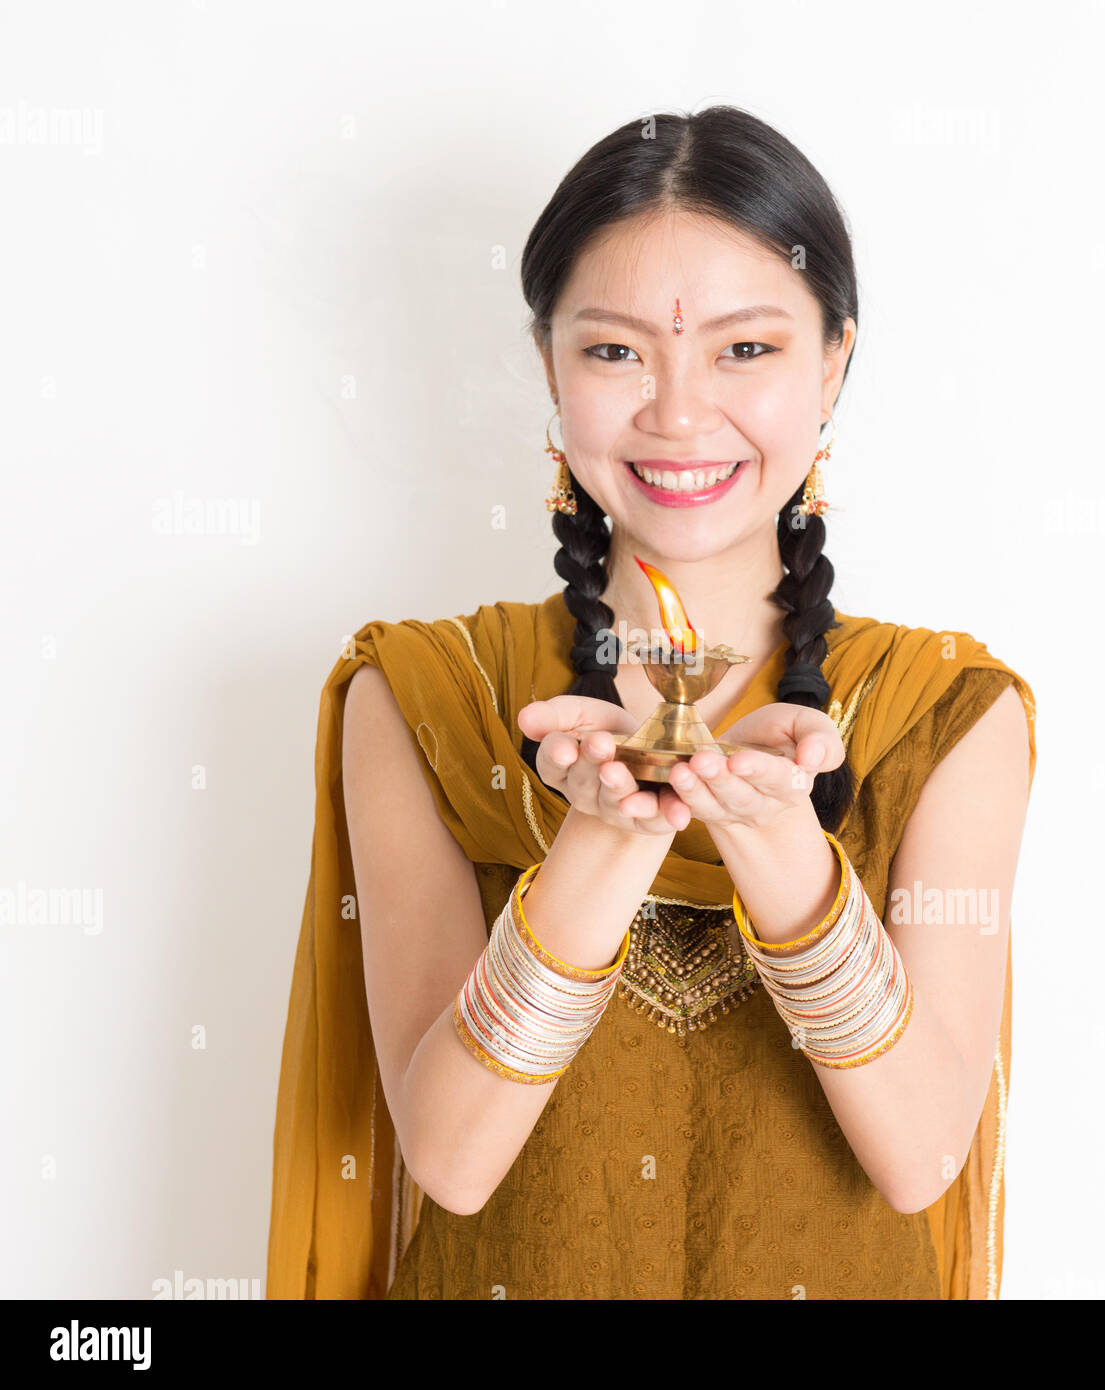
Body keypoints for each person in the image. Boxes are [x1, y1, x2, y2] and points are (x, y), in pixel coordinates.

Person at [267, 105, 1036, 1300]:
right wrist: (609, 834)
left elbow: (922, 1157)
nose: (678, 413)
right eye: (616, 351)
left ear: (833, 360)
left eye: (745, 350)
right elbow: (452, 1163)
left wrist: (779, 842)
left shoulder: (941, 714)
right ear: (548, 366)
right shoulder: (429, 698)